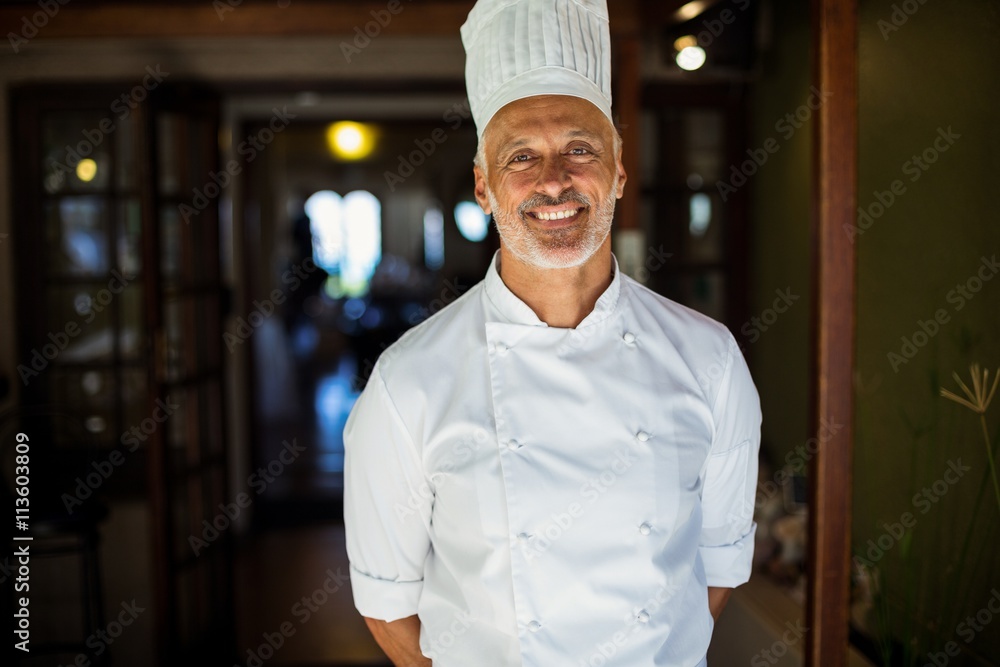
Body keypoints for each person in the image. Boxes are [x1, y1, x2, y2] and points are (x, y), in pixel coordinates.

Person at [343, 1, 762, 665]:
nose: (553, 181)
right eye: (520, 157)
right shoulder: (407, 383)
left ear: (619, 170)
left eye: (579, 148)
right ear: (483, 186)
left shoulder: (710, 359)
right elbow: (388, 607)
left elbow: (718, 568)